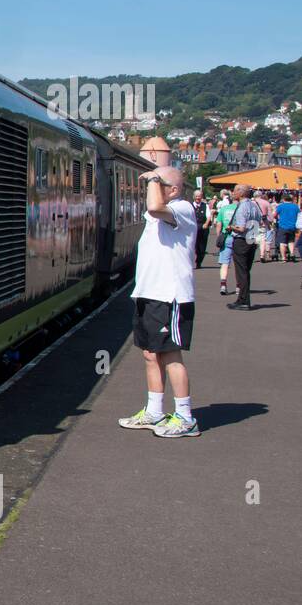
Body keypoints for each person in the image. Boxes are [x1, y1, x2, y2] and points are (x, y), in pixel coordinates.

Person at [118, 165, 200, 438]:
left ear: (173, 189)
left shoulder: (183, 208)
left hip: (170, 296)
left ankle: (185, 417)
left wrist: (153, 176)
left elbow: (154, 206)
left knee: (170, 354)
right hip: (150, 294)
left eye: (158, 183)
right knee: (150, 354)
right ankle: (155, 412)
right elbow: (152, 207)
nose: (152, 188)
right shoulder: (158, 215)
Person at [227, 183, 263, 310]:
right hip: (252, 240)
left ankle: (243, 300)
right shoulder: (254, 206)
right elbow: (260, 221)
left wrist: (231, 227)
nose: (233, 193)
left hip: (242, 240)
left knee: (241, 272)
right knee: (246, 271)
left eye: (235, 190)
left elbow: (241, 228)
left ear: (241, 193)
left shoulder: (242, 207)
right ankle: (243, 299)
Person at [214, 193, 238, 295]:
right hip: (239, 238)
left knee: (224, 263)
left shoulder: (224, 209)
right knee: (239, 264)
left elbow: (219, 224)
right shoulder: (242, 209)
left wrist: (219, 235)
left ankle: (223, 285)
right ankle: (238, 286)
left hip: (226, 237)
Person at [276, 190, 299, 264]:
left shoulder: (280, 206)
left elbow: (274, 215)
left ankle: (283, 258)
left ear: (283, 199)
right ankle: (292, 253)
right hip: (292, 226)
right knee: (291, 241)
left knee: (282, 242)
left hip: (283, 226)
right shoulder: (295, 206)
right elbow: (299, 215)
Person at [192, 190, 212, 269]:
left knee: (202, 247)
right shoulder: (190, 205)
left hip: (202, 227)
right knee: (193, 245)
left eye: (199, 196)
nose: (198, 198)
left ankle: (199, 262)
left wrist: (206, 224)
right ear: (194, 197)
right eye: (196, 196)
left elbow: (209, 216)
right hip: (193, 227)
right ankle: (192, 261)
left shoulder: (205, 205)